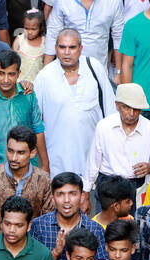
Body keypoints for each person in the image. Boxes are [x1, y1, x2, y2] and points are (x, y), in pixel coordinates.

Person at [34, 29, 114, 179]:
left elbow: (110, 110)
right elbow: (36, 122)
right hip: (58, 162)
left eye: (72, 47)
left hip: (95, 159)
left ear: (80, 49)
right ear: (55, 48)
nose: (66, 52)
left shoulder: (94, 68)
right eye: (62, 47)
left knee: (90, 200)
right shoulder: (44, 77)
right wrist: (45, 163)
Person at [0, 53, 48, 171]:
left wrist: (45, 164)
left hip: (28, 168)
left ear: (19, 73)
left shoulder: (28, 95)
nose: (6, 79)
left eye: (11, 74)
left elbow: (38, 129)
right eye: (1, 73)